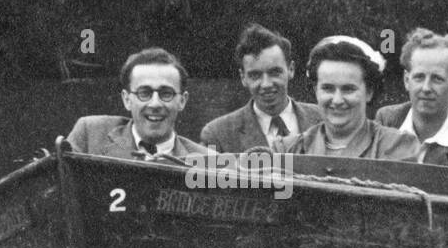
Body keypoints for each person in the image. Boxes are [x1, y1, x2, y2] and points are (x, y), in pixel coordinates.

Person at [272, 36, 422, 161]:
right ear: (315, 90)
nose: (337, 100)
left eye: (348, 89)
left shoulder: (398, 146)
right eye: (328, 88)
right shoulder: (287, 150)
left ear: (369, 91)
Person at [375, 28, 448, 170]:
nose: (426, 88)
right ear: (406, 80)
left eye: (437, 79)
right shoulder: (386, 120)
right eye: (419, 77)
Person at [199, 24, 323, 152]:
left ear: (291, 69)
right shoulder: (218, 135)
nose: (266, 84)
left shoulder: (324, 119)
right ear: (243, 77)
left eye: (274, 72)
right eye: (255, 75)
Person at [66, 47, 204, 160]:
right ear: (127, 100)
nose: (155, 104)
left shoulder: (208, 161)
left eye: (166, 94)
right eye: (144, 93)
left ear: (182, 101)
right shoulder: (90, 135)